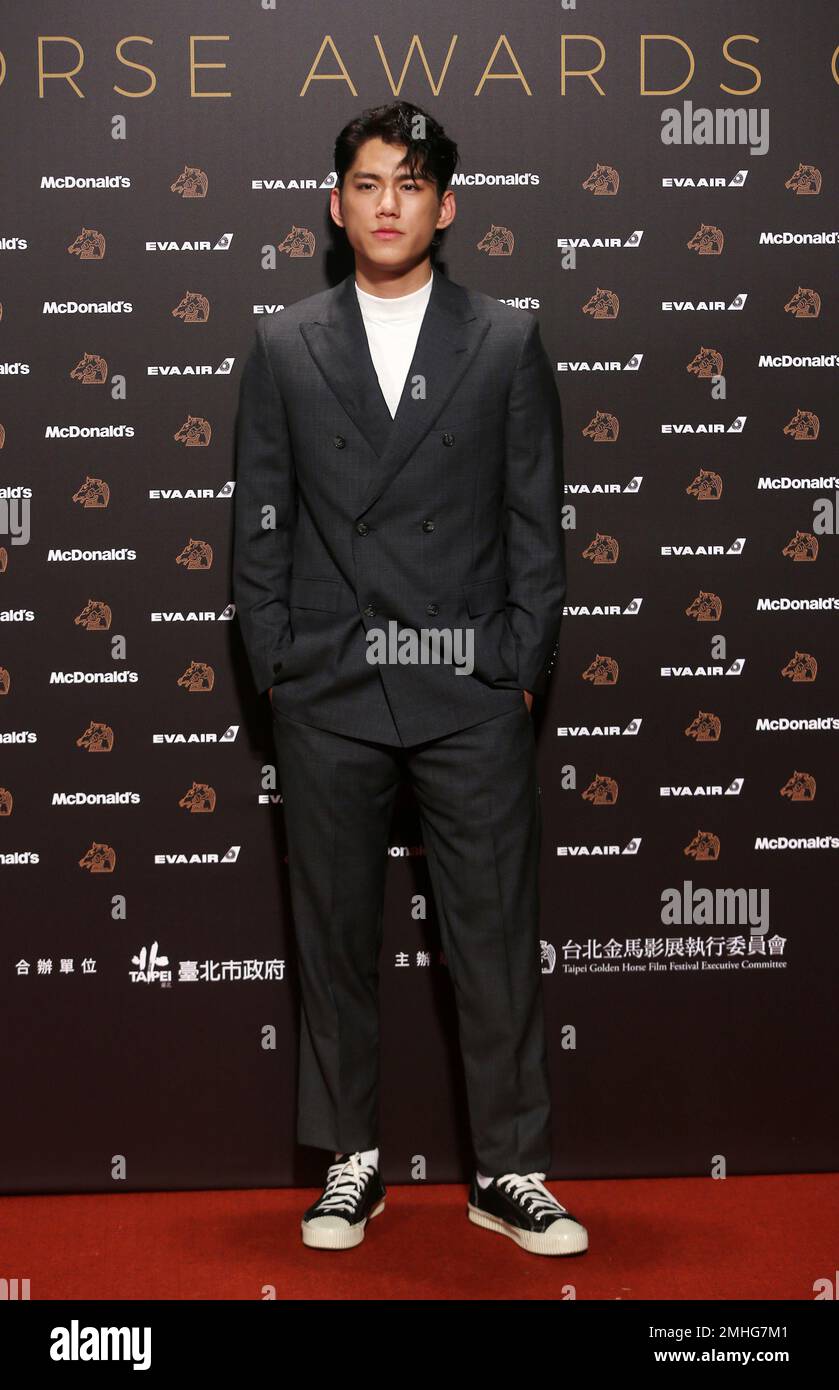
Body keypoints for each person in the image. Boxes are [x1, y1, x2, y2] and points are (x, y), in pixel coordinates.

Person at [232, 99, 587, 1258]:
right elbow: (259, 528)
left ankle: (510, 1169)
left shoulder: (501, 339)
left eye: (410, 183)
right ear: (336, 206)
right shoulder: (285, 344)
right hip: (330, 686)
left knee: (491, 937)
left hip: (464, 687)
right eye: (368, 183)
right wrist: (281, 663)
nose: (388, 203)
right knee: (330, 935)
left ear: (445, 203)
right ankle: (351, 1161)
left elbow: (536, 527)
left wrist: (515, 670)